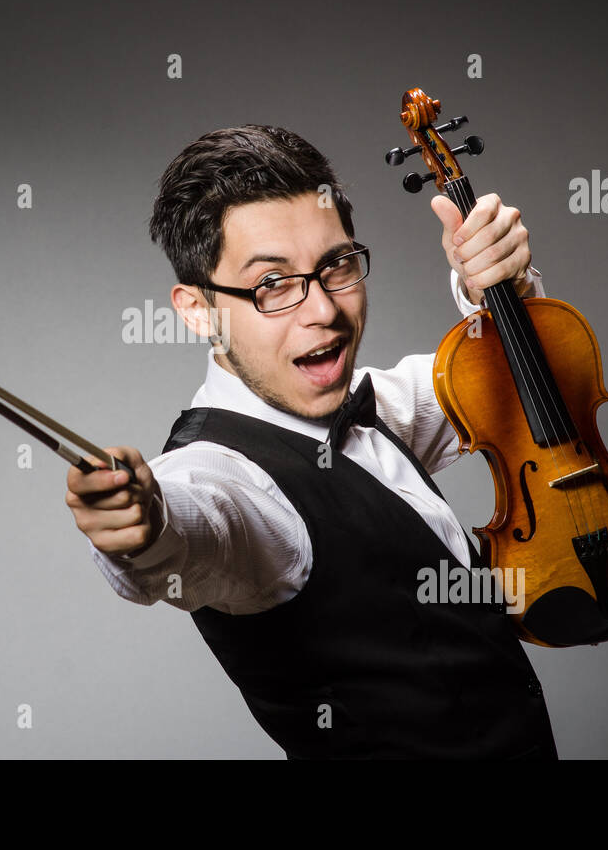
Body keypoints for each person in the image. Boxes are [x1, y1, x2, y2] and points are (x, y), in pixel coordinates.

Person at [64, 124, 558, 759]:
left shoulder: (373, 406)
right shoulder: (228, 478)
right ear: (197, 309)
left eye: (337, 266)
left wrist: (500, 288)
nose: (322, 309)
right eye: (271, 284)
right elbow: (194, 530)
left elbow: (506, 385)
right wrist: (144, 525)